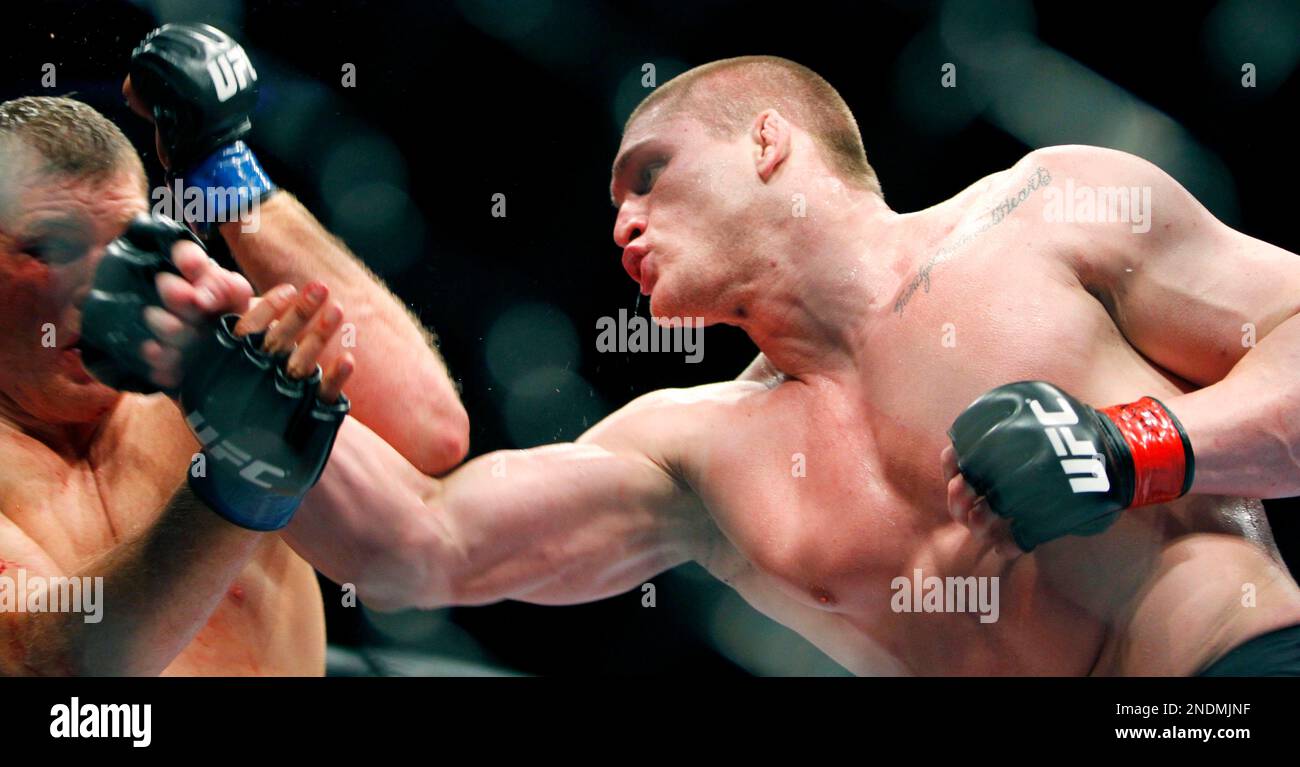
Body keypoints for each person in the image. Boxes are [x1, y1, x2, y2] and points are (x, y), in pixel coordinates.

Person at [148, 55, 1300, 674]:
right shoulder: (693, 445)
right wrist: (220, 366)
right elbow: (422, 546)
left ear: (767, 140)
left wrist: (1138, 446)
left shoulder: (1047, 214)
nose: (619, 223)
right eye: (609, 204)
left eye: (645, 175)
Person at [0, 23, 467, 676]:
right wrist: (240, 489)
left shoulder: (206, 352)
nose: (105, 285)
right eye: (53, 247)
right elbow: (46, 667)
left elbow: (430, 433)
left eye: (129, 242)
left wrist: (225, 170)